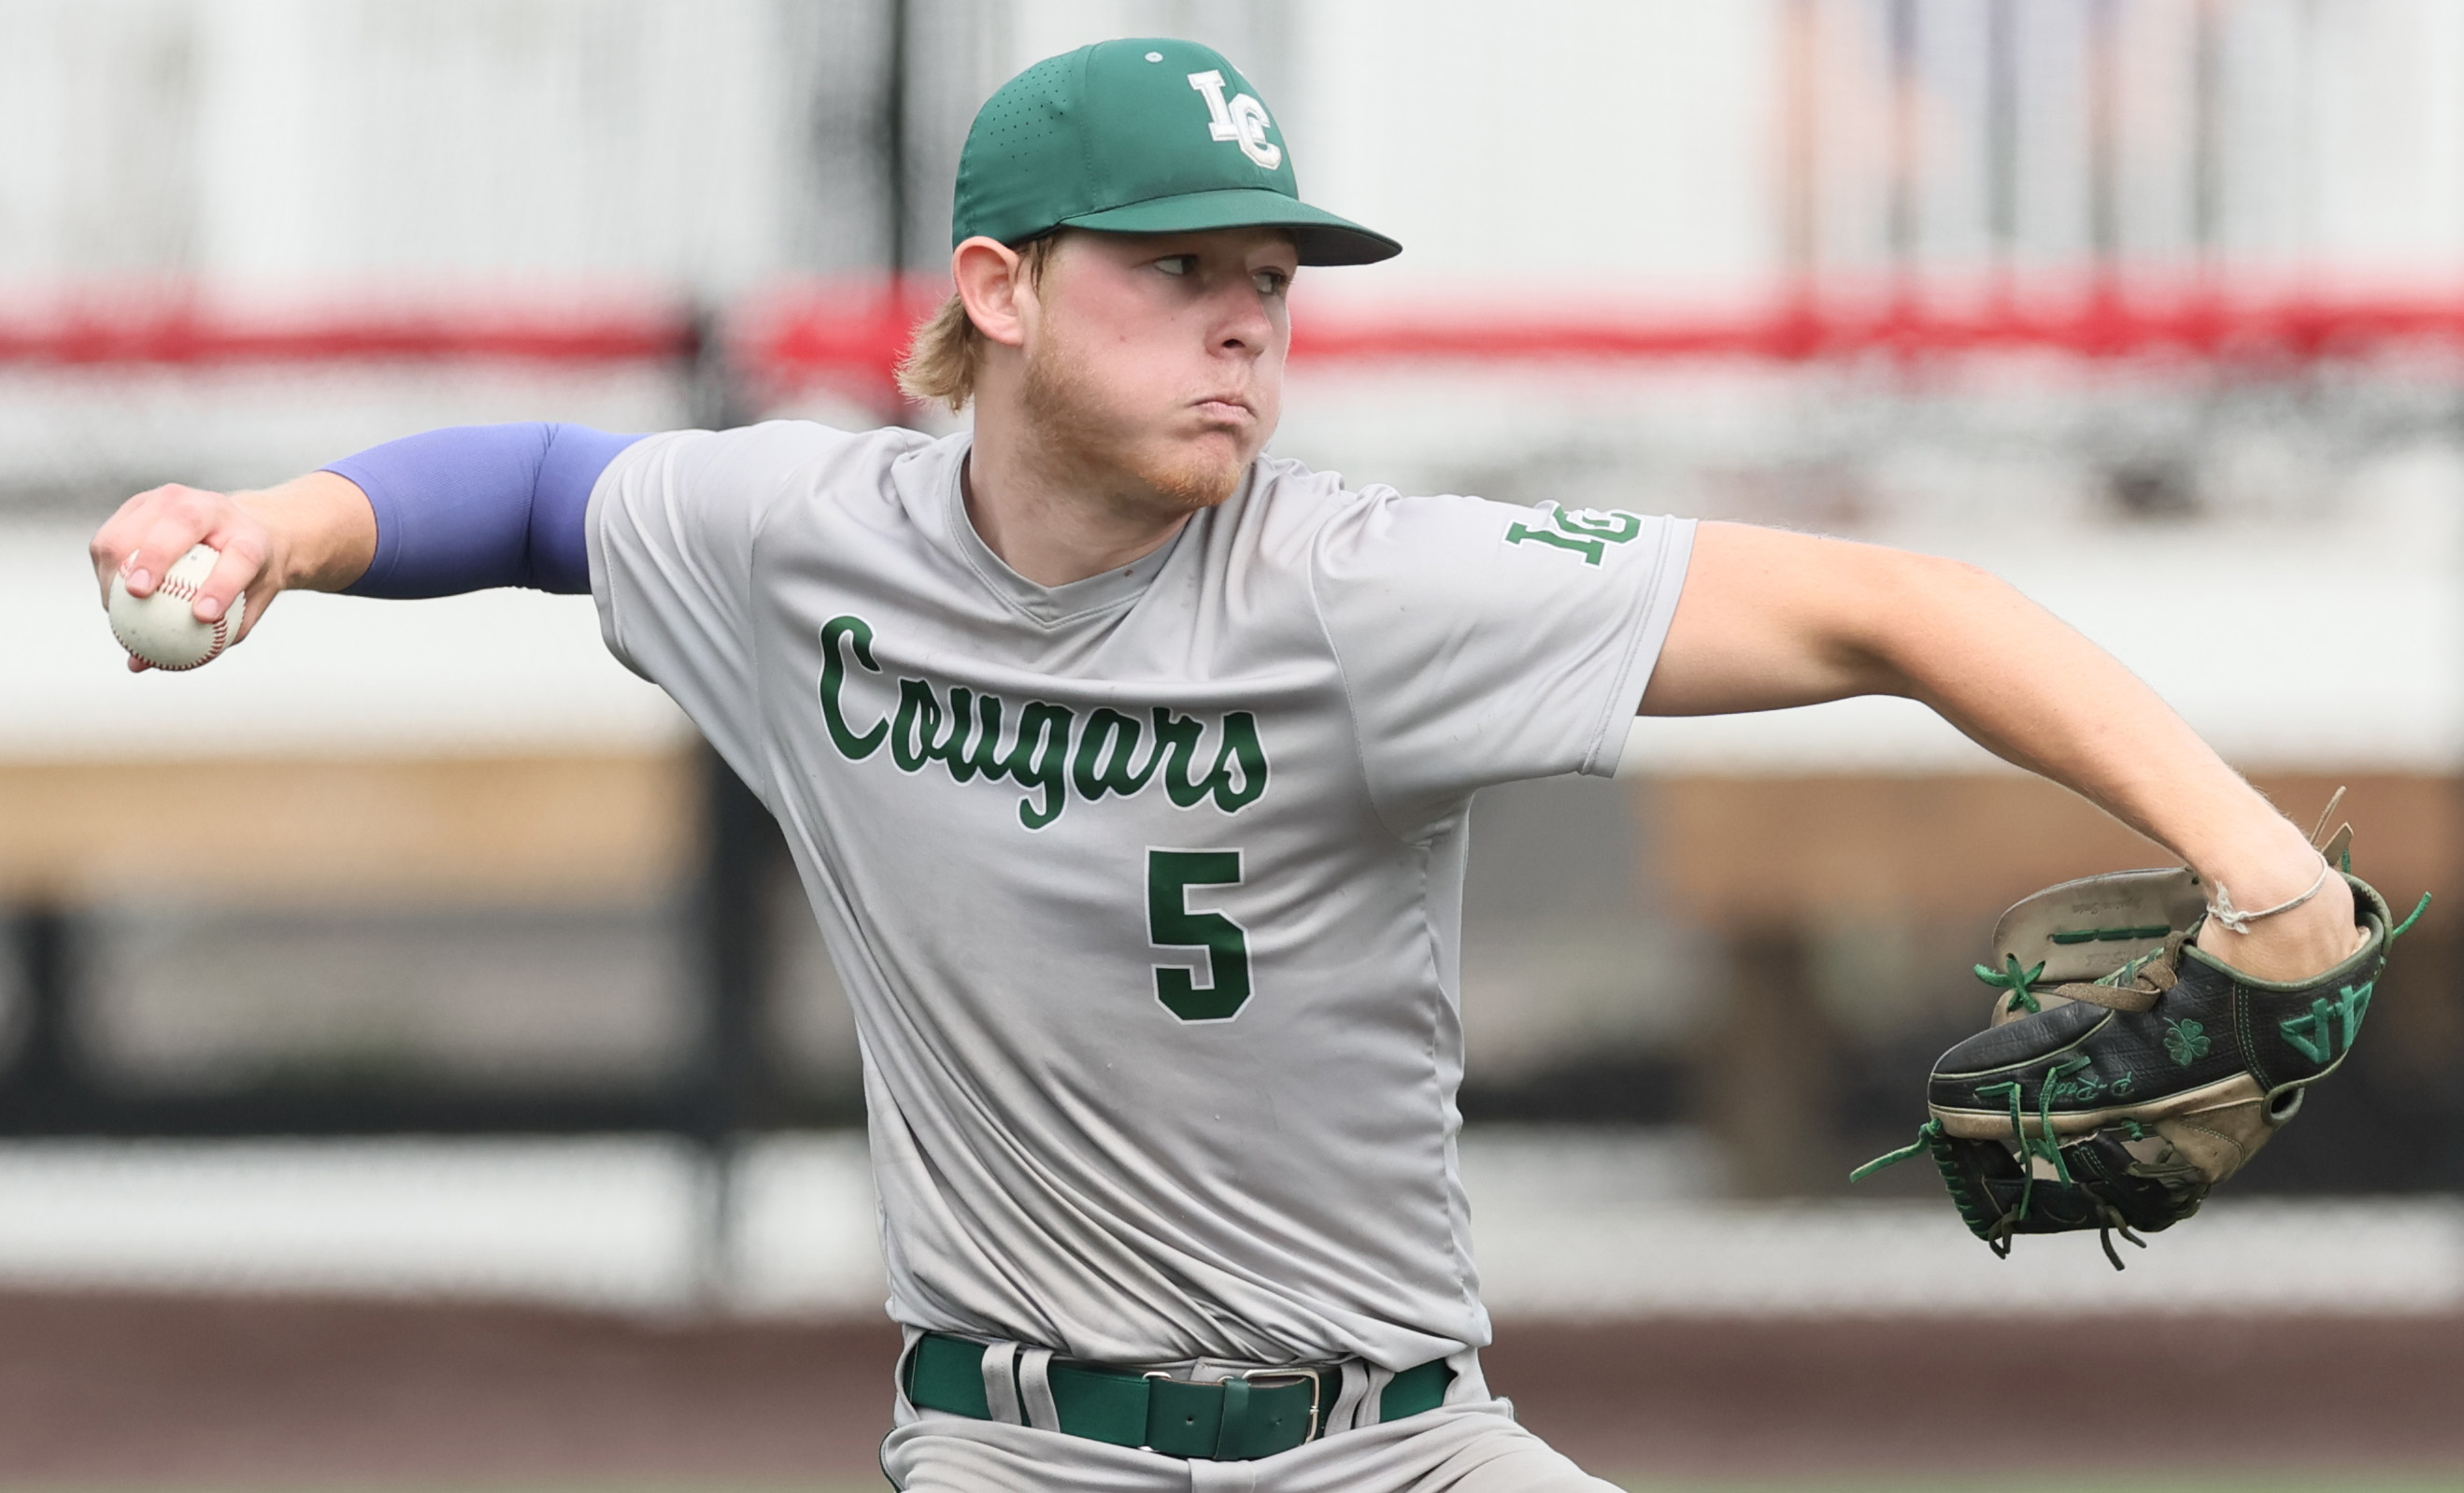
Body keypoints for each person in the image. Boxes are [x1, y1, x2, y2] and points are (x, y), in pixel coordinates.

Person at [90, 37, 2365, 1493]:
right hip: (1013, 1450)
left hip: (1395, 1451)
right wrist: (277, 529)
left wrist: (2266, 872)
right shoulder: (800, 544)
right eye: (1177, 270)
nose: (1245, 322)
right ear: (994, 290)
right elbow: (532, 489)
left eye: (1270, 276)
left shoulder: (1370, 593)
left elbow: (1905, 609)